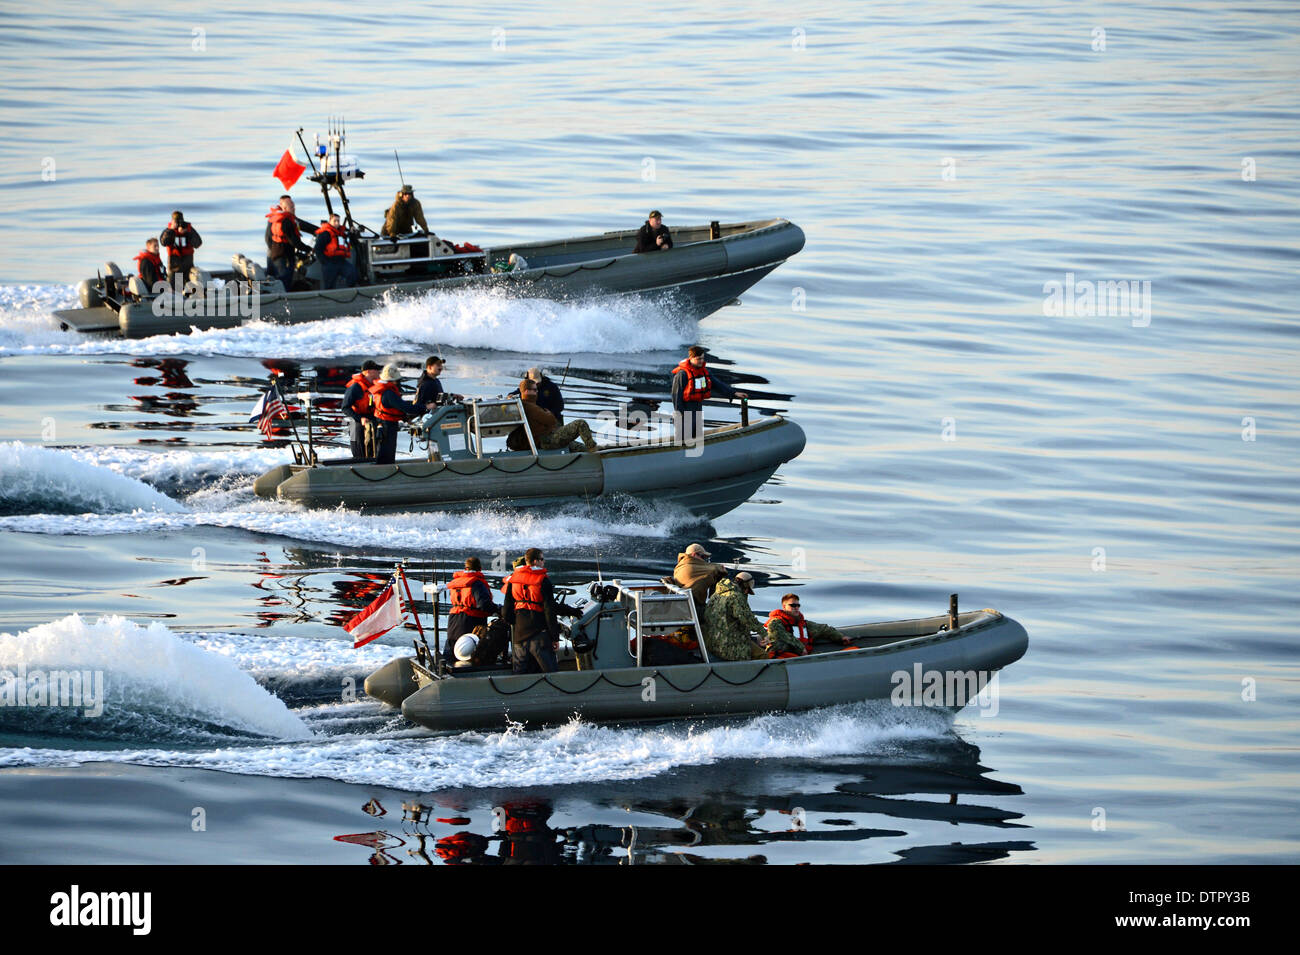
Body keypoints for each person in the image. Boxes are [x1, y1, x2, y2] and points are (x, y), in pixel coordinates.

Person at [671, 346, 748, 447]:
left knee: (696, 441)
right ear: (691, 358)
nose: (701, 361)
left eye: (703, 358)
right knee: (684, 442)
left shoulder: (704, 372)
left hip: (697, 411)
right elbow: (676, 397)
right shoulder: (682, 374)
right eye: (698, 359)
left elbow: (717, 384)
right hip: (684, 413)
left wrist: (733, 393)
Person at [502, 547, 559, 674]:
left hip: (519, 635)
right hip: (540, 635)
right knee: (551, 674)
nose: (543, 562)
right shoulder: (544, 581)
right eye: (542, 559)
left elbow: (506, 611)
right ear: (535, 561)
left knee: (519, 676)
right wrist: (555, 637)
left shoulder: (514, 579)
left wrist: (516, 623)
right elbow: (550, 612)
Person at [368, 363, 436, 465]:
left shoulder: (382, 389)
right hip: (387, 426)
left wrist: (404, 418)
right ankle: (384, 470)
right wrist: (426, 407)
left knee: (384, 450)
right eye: (398, 380)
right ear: (393, 380)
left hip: (383, 424)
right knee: (387, 452)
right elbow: (406, 408)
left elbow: (395, 408)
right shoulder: (388, 393)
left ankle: (384, 468)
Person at [507, 378, 598, 452]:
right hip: (547, 440)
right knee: (580, 424)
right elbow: (551, 420)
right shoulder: (529, 406)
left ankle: (596, 451)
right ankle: (593, 449)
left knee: (578, 447)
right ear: (526, 391)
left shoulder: (527, 405)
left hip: (548, 437)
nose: (537, 392)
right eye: (535, 390)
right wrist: (549, 414)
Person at [702, 572, 769, 661]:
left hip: (713, 642)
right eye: (747, 590)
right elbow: (748, 620)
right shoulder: (736, 597)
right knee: (763, 655)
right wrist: (765, 634)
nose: (746, 592)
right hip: (729, 645)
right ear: (745, 586)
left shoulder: (717, 594)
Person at [765, 592, 852, 658]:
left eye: (798, 605)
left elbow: (823, 629)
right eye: (793, 605)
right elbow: (781, 635)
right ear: (784, 607)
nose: (796, 608)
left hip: (801, 656)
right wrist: (801, 647)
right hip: (782, 657)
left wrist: (840, 637)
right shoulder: (775, 623)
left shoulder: (803, 623)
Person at [445, 557, 497, 659]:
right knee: (469, 650)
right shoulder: (477, 583)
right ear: (480, 568)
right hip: (471, 621)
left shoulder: (457, 581)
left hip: (453, 620)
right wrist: (497, 609)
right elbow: (484, 605)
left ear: (466, 567)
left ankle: (444, 669)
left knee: (452, 650)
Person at [265, 195, 316, 292]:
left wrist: (318, 230)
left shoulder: (274, 218)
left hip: (271, 256)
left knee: (271, 280)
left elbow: (267, 238)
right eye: (291, 206)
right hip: (284, 258)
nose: (294, 208)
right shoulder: (287, 221)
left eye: (293, 205)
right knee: (284, 283)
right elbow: (295, 242)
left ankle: (268, 296)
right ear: (284, 208)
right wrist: (309, 249)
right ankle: (284, 304)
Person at [341, 360, 381, 460]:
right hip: (356, 422)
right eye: (376, 370)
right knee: (359, 453)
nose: (378, 372)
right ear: (368, 372)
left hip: (371, 421)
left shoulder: (374, 386)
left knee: (373, 451)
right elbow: (345, 407)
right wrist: (360, 418)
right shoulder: (355, 387)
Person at [673, 542, 727, 612]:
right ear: (694, 555)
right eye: (703, 557)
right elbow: (718, 569)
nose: (704, 560)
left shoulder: (681, 565)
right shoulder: (691, 567)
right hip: (693, 609)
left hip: (683, 607)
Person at [313, 213, 358, 289]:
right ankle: (328, 297)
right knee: (329, 284)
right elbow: (317, 249)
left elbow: (351, 241)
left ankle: (350, 292)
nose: (337, 223)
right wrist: (325, 262)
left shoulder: (341, 233)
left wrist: (352, 233)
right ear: (330, 221)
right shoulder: (325, 233)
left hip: (341, 261)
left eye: (338, 221)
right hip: (329, 262)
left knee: (352, 273)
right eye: (335, 221)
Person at [159, 210, 202, 286]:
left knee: (189, 287)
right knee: (173, 288)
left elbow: (198, 244)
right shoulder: (169, 230)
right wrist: (171, 230)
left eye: (180, 221)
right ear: (172, 221)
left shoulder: (188, 229)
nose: (179, 224)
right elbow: (163, 242)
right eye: (176, 222)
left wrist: (188, 231)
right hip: (174, 266)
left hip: (187, 265)